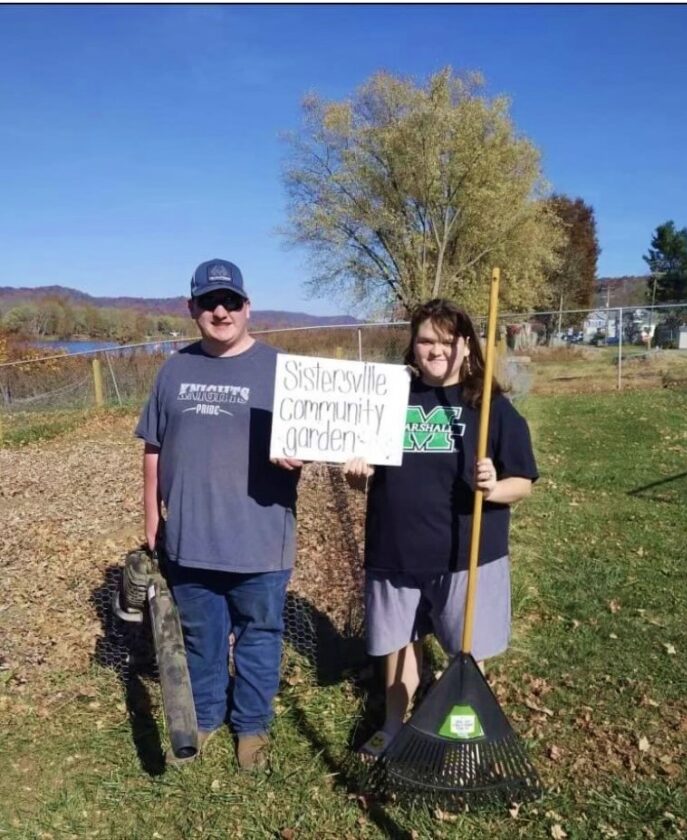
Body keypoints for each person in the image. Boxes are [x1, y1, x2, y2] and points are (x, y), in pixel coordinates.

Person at [343, 298, 538, 757]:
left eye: (446, 341)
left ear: (466, 346)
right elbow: (368, 470)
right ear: (412, 345)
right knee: (397, 646)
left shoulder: (491, 407)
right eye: (425, 340)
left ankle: (463, 738)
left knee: (467, 653)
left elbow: (523, 483)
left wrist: (493, 487)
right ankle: (392, 725)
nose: (434, 350)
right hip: (394, 550)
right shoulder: (390, 399)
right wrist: (357, 476)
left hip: (465, 553)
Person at [135, 258, 302, 771]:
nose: (221, 310)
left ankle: (251, 729)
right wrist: (150, 518)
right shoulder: (174, 368)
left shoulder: (282, 369)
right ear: (193, 309)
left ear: (248, 307)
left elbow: (315, 440)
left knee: (259, 638)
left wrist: (302, 453)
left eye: (230, 301)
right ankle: (205, 718)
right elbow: (153, 448)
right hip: (190, 537)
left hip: (260, 537)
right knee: (201, 639)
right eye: (209, 302)